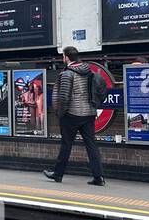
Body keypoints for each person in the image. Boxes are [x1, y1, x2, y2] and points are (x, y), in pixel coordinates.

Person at [43, 47, 105, 186]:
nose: (63, 59)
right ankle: (99, 177)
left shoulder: (67, 74)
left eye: (63, 56)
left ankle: (58, 174)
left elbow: (64, 97)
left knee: (66, 145)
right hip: (89, 113)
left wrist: (60, 113)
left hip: (72, 114)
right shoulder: (88, 71)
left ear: (66, 58)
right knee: (91, 145)